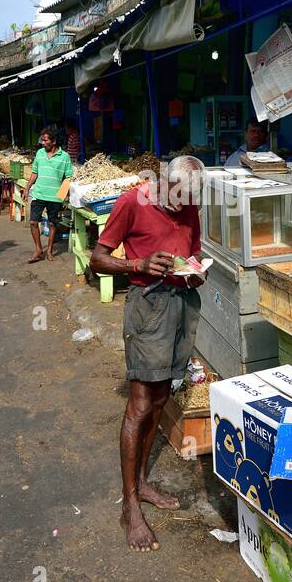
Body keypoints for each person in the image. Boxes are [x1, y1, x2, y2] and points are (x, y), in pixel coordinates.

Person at [89, 156, 206, 552]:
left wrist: (196, 271)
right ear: (162, 181)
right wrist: (137, 262)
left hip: (181, 304)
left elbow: (193, 251)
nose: (181, 205)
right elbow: (98, 260)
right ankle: (130, 506)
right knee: (139, 404)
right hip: (147, 305)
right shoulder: (131, 202)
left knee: (160, 397)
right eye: (175, 196)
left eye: (189, 198)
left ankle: (141, 481)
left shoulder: (190, 205)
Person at [23, 127, 72, 264]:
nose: (42, 143)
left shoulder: (65, 157)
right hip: (39, 194)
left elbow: (68, 177)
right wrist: (27, 189)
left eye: (45, 140)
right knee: (33, 222)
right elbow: (34, 172)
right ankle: (39, 250)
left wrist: (62, 195)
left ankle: (49, 250)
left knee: (52, 223)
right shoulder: (39, 153)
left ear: (54, 141)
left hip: (54, 197)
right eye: (42, 140)